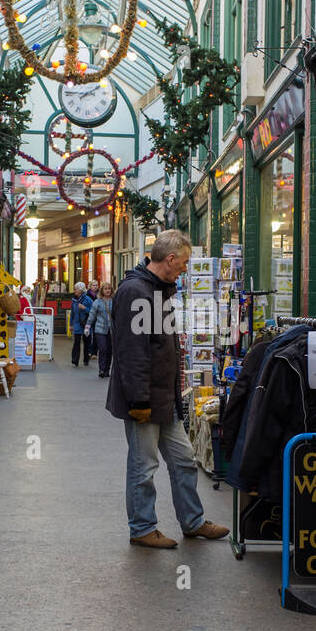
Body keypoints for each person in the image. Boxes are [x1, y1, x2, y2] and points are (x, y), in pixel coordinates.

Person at [106, 229, 229, 548]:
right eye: (184, 262)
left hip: (165, 400)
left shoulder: (159, 290)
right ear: (170, 259)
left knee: (184, 460)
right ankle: (143, 528)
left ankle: (193, 521)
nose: (186, 268)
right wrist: (139, 401)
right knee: (143, 466)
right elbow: (132, 353)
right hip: (145, 401)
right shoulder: (136, 292)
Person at [85, 281, 115, 377]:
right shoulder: (97, 302)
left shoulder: (114, 301)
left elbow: (118, 315)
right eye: (105, 289)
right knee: (103, 349)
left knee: (110, 350)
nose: (107, 291)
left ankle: (107, 369)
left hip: (111, 330)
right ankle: (101, 370)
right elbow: (92, 315)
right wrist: (87, 327)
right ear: (102, 290)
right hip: (100, 329)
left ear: (111, 290)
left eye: (109, 289)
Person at [70, 281, 94, 366]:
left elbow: (92, 312)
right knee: (76, 342)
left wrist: (84, 308)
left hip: (85, 324)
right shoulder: (74, 299)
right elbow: (72, 312)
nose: (74, 290)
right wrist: (71, 324)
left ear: (80, 290)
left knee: (86, 342)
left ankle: (86, 360)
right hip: (76, 324)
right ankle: (74, 361)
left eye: (75, 289)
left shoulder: (88, 300)